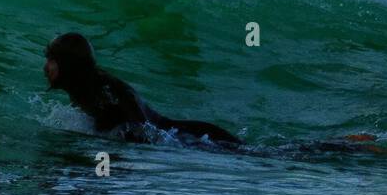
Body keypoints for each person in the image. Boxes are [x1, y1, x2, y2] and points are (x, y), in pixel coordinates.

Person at [43, 34, 241, 145]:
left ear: (69, 64)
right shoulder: (82, 86)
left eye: (52, 60)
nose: (46, 67)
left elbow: (143, 131)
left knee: (249, 155)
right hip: (181, 133)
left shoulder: (102, 90)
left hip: (188, 136)